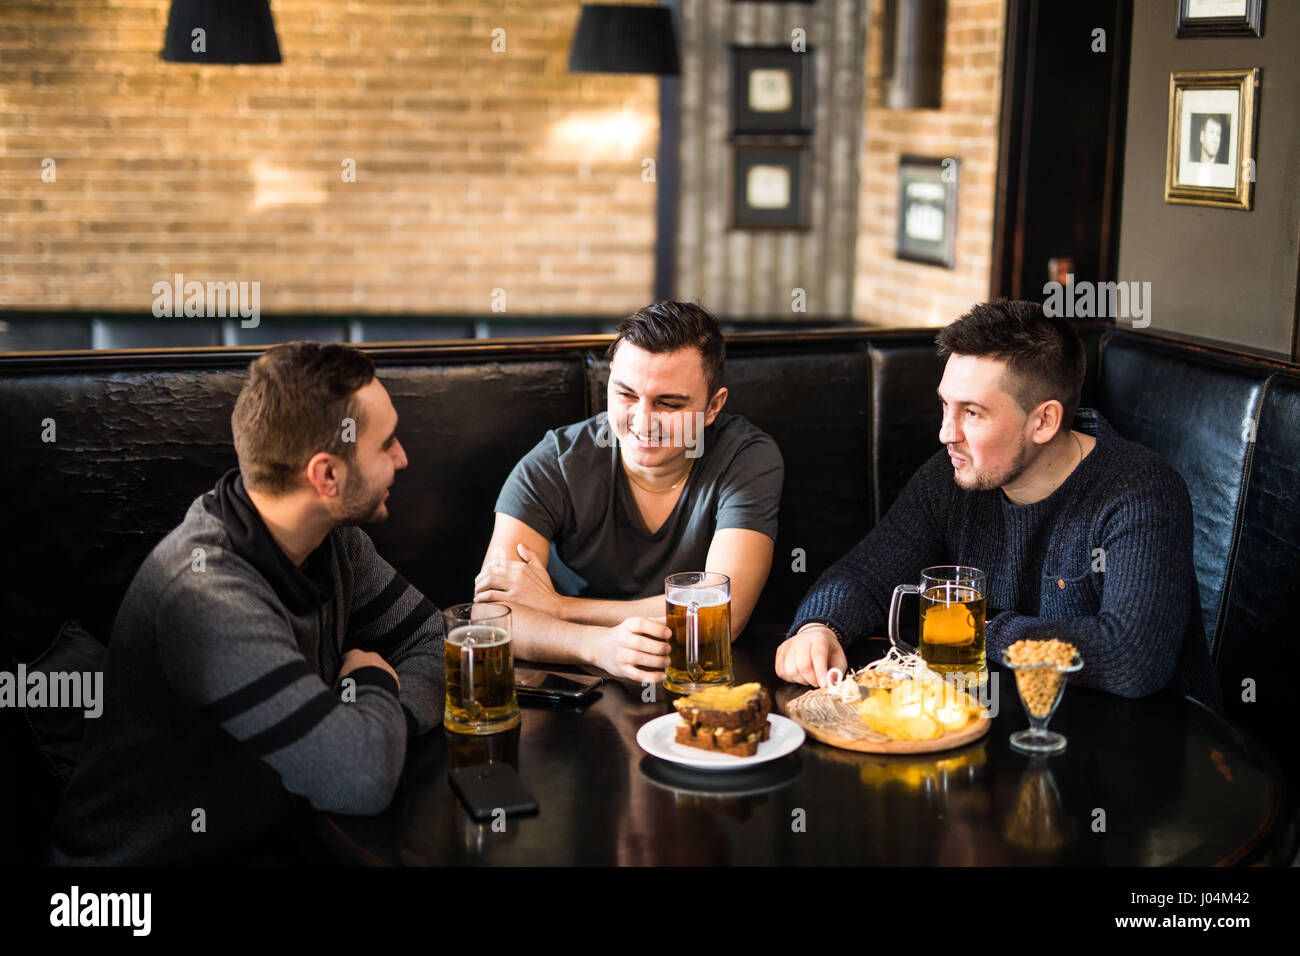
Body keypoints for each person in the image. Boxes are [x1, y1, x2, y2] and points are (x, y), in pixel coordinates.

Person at [49, 343, 444, 865]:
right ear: (326, 476)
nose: (402, 458)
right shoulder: (205, 594)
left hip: (272, 844)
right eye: (387, 444)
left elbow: (434, 641)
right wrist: (372, 685)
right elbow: (360, 779)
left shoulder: (334, 542)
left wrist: (367, 727)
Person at [775, 299, 1221, 710]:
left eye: (972, 412)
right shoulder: (951, 477)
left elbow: (1130, 657)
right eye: (945, 406)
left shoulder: (1139, 492)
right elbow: (867, 574)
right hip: (1018, 735)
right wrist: (819, 627)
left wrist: (979, 629)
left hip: (1149, 753)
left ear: (1044, 420)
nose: (947, 433)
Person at [474, 301, 784, 682]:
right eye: (626, 395)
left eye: (668, 403)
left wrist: (557, 607)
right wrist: (595, 646)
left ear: (712, 407)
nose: (642, 420)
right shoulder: (555, 462)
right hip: (576, 689)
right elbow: (491, 617)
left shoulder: (746, 457)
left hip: (701, 680)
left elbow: (721, 619)